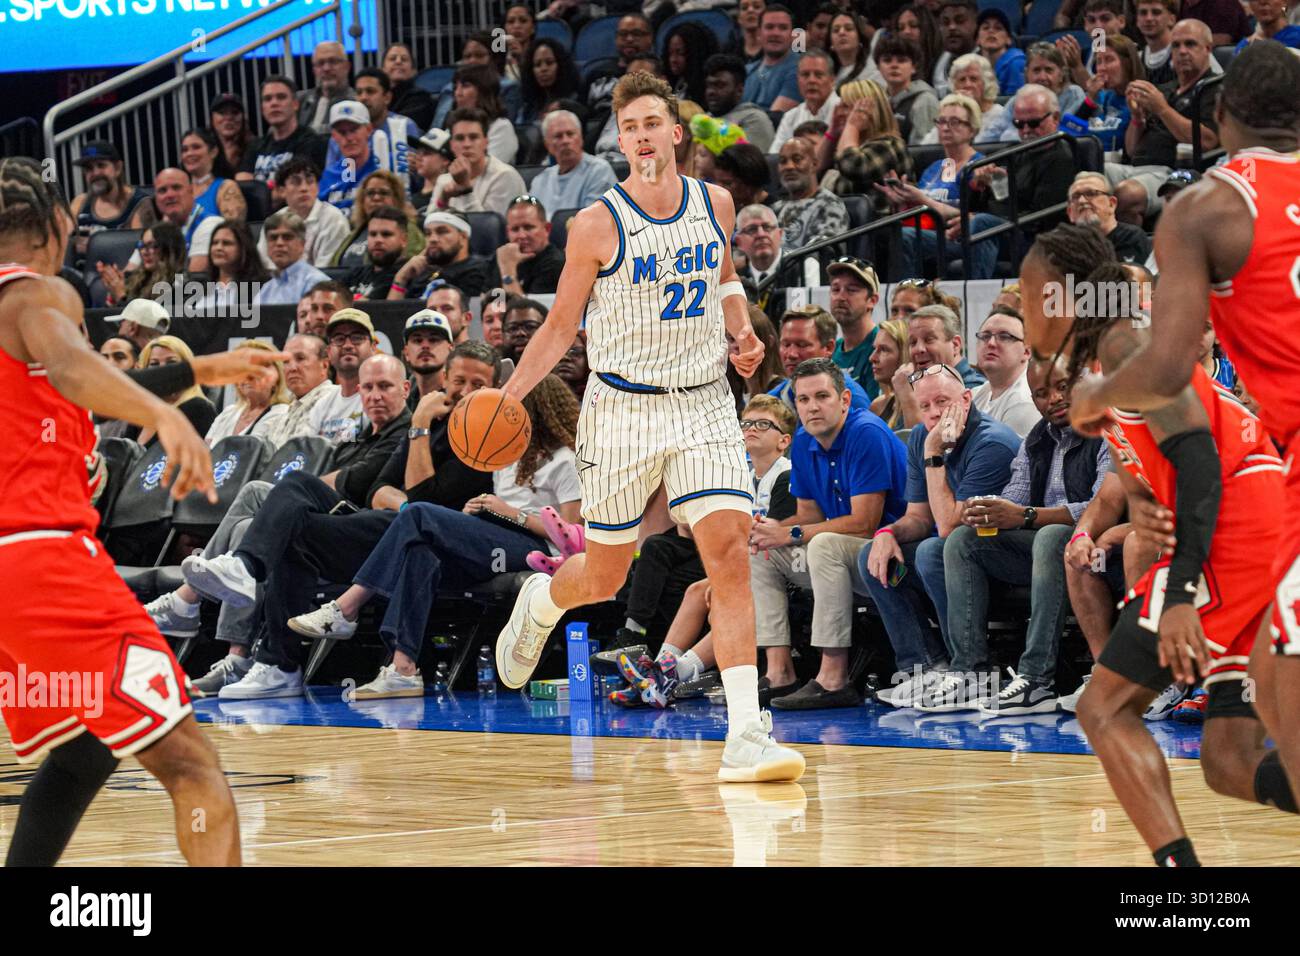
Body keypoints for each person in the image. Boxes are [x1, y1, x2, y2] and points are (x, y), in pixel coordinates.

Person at [493, 71, 805, 783]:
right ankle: (541, 600)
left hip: (701, 403)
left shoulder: (716, 202)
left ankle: (746, 733)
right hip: (622, 408)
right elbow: (562, 324)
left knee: (727, 549)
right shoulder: (598, 223)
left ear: (675, 133)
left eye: (650, 122)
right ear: (622, 139)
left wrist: (739, 331)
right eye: (628, 125)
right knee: (604, 575)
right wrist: (510, 395)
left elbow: (725, 274)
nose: (640, 135)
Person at [1059, 44, 1300, 857]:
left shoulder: (1207, 208)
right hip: (1262, 493)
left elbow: (1177, 406)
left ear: (1221, 115)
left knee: (1106, 708)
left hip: (1259, 505)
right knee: (1233, 761)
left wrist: (1092, 400)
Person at [0, 155, 244, 867]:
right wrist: (165, 417)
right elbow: (75, 367)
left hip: (11, 577)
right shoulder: (39, 292)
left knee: (86, 745)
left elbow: (65, 378)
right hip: (46, 562)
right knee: (194, 768)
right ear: (58, 225)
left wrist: (195, 372)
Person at [288, 376, 582, 698]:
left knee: (418, 513)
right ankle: (403, 670)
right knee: (421, 551)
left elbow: (569, 532)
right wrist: (481, 509)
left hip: (538, 549)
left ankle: (347, 606)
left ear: (538, 409)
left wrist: (512, 513)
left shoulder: (565, 459)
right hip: (496, 536)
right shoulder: (505, 457)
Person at [938, 356, 1112, 714]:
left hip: (1098, 546)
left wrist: (1026, 516)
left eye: (1062, 387)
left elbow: (1102, 508)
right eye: (1042, 393)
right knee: (962, 542)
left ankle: (1036, 680)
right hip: (1043, 545)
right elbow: (1015, 496)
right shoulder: (1037, 438)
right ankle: (970, 670)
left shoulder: (1108, 429)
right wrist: (989, 509)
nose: (1054, 399)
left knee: (1052, 536)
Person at [860, 361, 1021, 707]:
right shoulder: (921, 435)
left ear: (965, 398)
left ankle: (971, 669)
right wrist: (888, 533)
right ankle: (926, 668)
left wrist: (933, 453)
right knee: (875, 556)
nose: (934, 414)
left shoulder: (992, 443)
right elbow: (918, 518)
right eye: (925, 406)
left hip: (998, 561)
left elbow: (949, 527)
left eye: (943, 402)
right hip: (953, 559)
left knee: (935, 551)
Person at [751, 359, 909, 710]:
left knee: (823, 544)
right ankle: (780, 673)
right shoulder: (805, 441)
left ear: (845, 400)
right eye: (803, 400)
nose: (812, 407)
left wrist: (790, 531)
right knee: (760, 549)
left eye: (822, 396)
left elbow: (864, 523)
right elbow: (809, 516)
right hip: (840, 556)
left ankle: (833, 678)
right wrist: (771, 531)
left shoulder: (866, 432)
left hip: (894, 557)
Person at [1107, 20, 1220, 225]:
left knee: (1126, 195)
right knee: (1084, 177)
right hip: (1134, 168)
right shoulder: (1165, 89)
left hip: (1173, 172)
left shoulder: (1213, 88)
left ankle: (1133, 249)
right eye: (1176, 46)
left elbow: (1207, 142)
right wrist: (1137, 119)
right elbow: (1132, 150)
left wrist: (1162, 109)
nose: (1182, 51)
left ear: (1208, 49)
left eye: (1190, 44)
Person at [876, 94, 998, 278]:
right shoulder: (935, 167)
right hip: (929, 233)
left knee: (906, 236)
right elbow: (923, 210)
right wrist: (902, 203)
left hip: (958, 238)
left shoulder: (980, 167)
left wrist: (922, 199)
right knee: (882, 231)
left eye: (955, 122)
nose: (946, 128)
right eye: (941, 121)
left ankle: (909, 294)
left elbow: (976, 217)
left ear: (972, 129)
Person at [767, 304, 874, 412]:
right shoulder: (771, 401)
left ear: (829, 347)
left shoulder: (852, 399)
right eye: (786, 344)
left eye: (802, 345)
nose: (791, 354)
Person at [253, 157, 348, 270]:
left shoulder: (334, 220)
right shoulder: (275, 220)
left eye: (310, 182)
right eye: (296, 182)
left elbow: (327, 272)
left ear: (317, 187)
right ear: (281, 190)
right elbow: (263, 265)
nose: (304, 188)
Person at [430, 108, 528, 218]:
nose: (467, 144)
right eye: (460, 138)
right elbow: (428, 229)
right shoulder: (444, 180)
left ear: (486, 142)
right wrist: (443, 199)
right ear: (452, 145)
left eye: (473, 137)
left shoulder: (505, 176)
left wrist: (466, 190)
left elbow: (489, 232)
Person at [69, 140, 150, 267]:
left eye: (101, 165)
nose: (95, 173)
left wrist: (92, 247)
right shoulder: (79, 203)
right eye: (89, 168)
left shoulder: (139, 204)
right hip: (80, 274)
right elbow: (64, 242)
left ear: (117, 168)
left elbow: (139, 252)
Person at [237, 75, 328, 185]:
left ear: (295, 104)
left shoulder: (312, 143)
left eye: (281, 97)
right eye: (267, 99)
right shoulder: (255, 146)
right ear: (262, 108)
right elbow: (242, 184)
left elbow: (296, 187)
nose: (274, 103)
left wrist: (259, 192)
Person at [126, 336, 218, 446]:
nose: (162, 370)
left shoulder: (199, 409)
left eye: (171, 363)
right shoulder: (139, 415)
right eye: (154, 364)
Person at [528, 111, 618, 217]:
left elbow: (595, 220)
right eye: (558, 136)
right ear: (547, 145)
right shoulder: (540, 181)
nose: (565, 141)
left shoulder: (599, 171)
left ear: (581, 138)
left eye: (570, 134)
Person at [331, 170, 424, 269]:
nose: (376, 198)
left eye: (384, 193)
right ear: (362, 200)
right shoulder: (354, 233)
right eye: (370, 193)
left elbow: (410, 267)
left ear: (396, 199)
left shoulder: (408, 230)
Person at [132, 168, 219, 274]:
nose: (169, 195)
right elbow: (129, 272)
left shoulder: (210, 224)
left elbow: (192, 281)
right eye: (162, 190)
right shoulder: (154, 231)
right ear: (156, 199)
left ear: (191, 191)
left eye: (176, 187)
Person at [389, 210, 492, 300]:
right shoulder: (421, 272)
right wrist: (401, 278)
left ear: (463, 237)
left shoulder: (480, 270)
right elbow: (389, 315)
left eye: (442, 232)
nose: (432, 239)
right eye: (428, 233)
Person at [203, 340, 291, 445]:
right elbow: (206, 451)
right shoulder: (227, 413)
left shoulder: (284, 414)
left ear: (277, 377)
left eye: (259, 368)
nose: (249, 375)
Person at [969, 308, 1040, 437]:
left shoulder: (1023, 403)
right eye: (985, 336)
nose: (991, 343)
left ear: (1027, 352)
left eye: (1004, 337)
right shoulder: (977, 393)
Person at [773, 136, 849, 253]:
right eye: (783, 161)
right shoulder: (775, 209)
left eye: (797, 159)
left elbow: (822, 254)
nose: (789, 166)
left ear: (814, 164)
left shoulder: (830, 205)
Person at [1066, 172, 1152, 264]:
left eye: (1091, 193)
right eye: (1075, 196)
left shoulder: (1131, 238)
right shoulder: (1064, 246)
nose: (1082, 200)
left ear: (1112, 204)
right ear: (1070, 212)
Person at [96, 222, 186, 310]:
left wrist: (121, 297)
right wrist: (112, 296)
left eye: (152, 245)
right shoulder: (135, 279)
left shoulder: (180, 285)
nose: (144, 252)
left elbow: (150, 322)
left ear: (170, 249)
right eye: (142, 245)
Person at [488, 195, 567, 296]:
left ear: (547, 229)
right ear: (507, 232)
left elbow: (523, 311)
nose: (521, 235)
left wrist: (508, 271)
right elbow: (488, 303)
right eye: (515, 229)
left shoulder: (556, 264)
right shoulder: (501, 258)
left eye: (528, 227)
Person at [826, 255, 881, 397]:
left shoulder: (881, 347)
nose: (841, 297)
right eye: (835, 289)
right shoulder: (832, 350)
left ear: (872, 300)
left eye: (851, 290)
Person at [702, 54, 776, 154]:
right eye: (709, 85)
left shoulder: (754, 119)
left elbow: (750, 166)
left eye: (719, 85)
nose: (711, 91)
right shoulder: (704, 119)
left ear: (739, 90)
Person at [770, 49, 840, 155]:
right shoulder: (790, 117)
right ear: (798, 79)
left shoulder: (843, 111)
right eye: (805, 75)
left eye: (818, 75)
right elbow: (775, 156)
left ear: (832, 79)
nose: (811, 80)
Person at [255, 209, 331, 306]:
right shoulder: (265, 290)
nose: (279, 243)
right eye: (273, 238)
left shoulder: (317, 283)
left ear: (302, 244)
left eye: (287, 237)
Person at [318, 100, 382, 214]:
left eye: (354, 130)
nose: (349, 138)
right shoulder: (329, 175)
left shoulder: (384, 164)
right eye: (342, 132)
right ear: (334, 136)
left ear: (369, 130)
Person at [875, 34, 941, 144]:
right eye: (887, 60)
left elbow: (924, 151)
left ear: (914, 67)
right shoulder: (878, 100)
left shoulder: (925, 100)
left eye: (901, 60)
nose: (894, 65)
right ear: (878, 67)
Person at [450, 64, 520, 163]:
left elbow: (488, 171)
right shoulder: (454, 128)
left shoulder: (501, 127)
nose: (458, 93)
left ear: (484, 91)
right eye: (455, 87)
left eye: (465, 86)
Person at [200, 219, 269, 315]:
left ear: (243, 248)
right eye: (215, 243)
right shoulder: (204, 289)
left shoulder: (261, 288)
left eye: (226, 243)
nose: (218, 248)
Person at [179, 127, 246, 223]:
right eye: (185, 150)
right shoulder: (180, 192)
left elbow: (234, 230)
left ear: (213, 152)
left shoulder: (226, 187)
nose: (189, 153)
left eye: (196, 147)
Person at [745, 5, 803, 111]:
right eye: (769, 27)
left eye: (783, 28)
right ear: (759, 33)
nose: (775, 33)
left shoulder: (802, 68)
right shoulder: (746, 70)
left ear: (792, 34)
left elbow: (774, 118)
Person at [517, 38, 581, 125]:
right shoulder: (528, 107)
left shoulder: (574, 100)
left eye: (549, 62)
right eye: (537, 64)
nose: (543, 69)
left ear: (561, 65)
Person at [300, 40, 356, 134]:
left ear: (347, 67)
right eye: (320, 63)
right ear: (314, 70)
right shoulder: (300, 101)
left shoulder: (356, 102)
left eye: (333, 62)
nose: (326, 68)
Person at [383, 42, 437, 131]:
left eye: (404, 59)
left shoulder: (421, 98)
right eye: (392, 59)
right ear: (383, 69)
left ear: (413, 70)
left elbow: (401, 128)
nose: (398, 61)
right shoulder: (379, 97)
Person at [1024, 42, 1085, 118]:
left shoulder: (1074, 95)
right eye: (1036, 70)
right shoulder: (1021, 98)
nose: (1042, 77)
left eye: (1049, 70)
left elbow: (1066, 128)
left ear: (1061, 74)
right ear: (1027, 73)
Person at [663, 21, 719, 104]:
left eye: (680, 53)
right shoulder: (673, 83)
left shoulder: (708, 89)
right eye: (670, 53)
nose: (673, 60)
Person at [868, 318, 910, 428]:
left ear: (904, 354)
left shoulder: (926, 406)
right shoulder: (877, 406)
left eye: (883, 350)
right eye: (874, 349)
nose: (872, 358)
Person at [932, 0, 979, 97]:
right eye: (945, 22)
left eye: (960, 21)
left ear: (976, 24)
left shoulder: (989, 60)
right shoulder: (937, 59)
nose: (952, 27)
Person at [974, 8, 1024, 96]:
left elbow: (1014, 101)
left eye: (998, 28)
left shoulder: (1016, 63)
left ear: (1009, 39)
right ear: (977, 39)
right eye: (985, 28)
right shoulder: (971, 65)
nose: (991, 31)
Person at [830, 11, 883, 89]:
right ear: (831, 43)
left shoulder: (874, 71)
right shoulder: (827, 73)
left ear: (860, 38)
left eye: (848, 29)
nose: (841, 33)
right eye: (836, 30)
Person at [207, 93, 253, 181]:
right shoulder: (203, 151)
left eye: (235, 112)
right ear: (212, 119)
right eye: (222, 113)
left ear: (243, 118)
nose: (228, 118)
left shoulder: (256, 147)